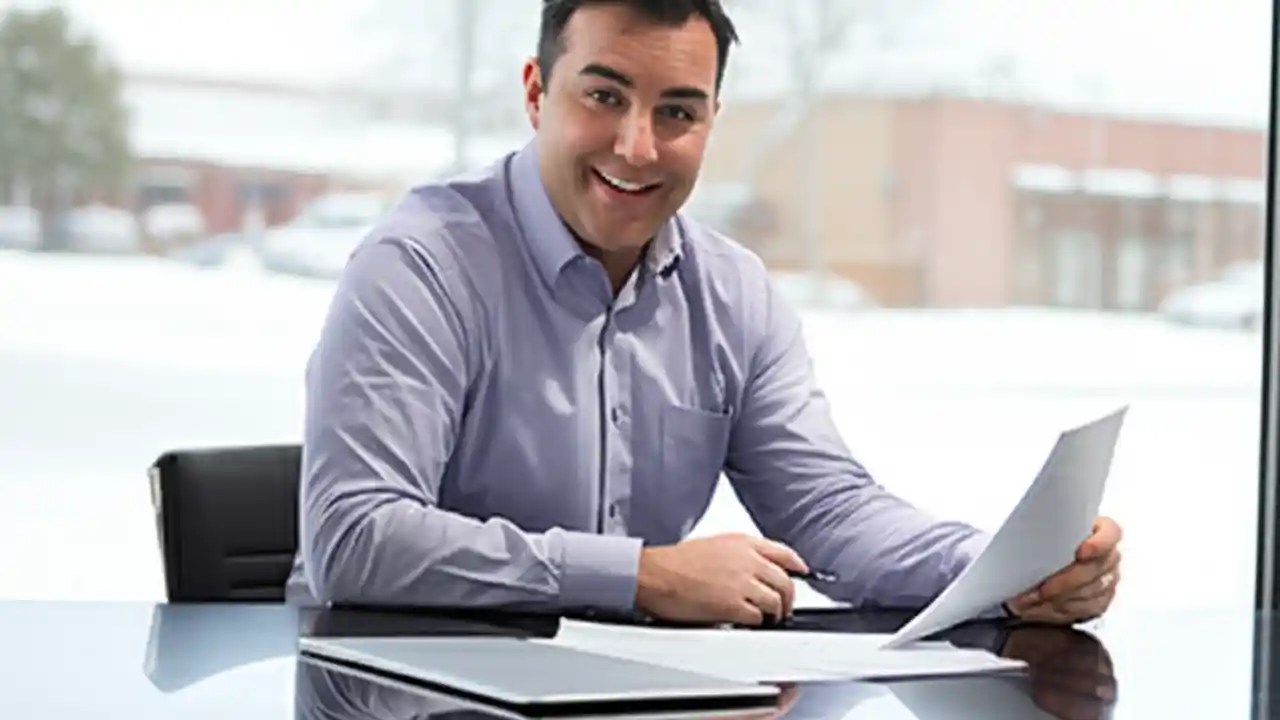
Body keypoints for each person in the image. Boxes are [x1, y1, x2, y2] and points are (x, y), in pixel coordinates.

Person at [287, 0, 1122, 628]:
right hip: (395, 689)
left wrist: (1001, 570)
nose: (638, 147)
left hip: (627, 691)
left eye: (677, 112)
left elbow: (827, 510)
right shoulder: (422, 265)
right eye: (604, 97)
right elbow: (358, 538)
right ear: (537, 92)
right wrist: (642, 576)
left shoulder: (733, 294)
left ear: (712, 122)